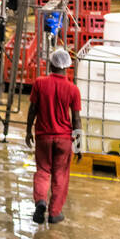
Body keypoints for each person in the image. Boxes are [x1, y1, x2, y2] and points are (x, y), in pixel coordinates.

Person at [26, 48, 82, 224]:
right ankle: (54, 213)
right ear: (67, 67)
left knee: (43, 171)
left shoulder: (40, 83)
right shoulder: (73, 89)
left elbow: (32, 109)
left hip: (43, 136)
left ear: (51, 64)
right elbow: (76, 119)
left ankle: (40, 201)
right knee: (60, 174)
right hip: (64, 139)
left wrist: (28, 131)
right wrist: (79, 146)